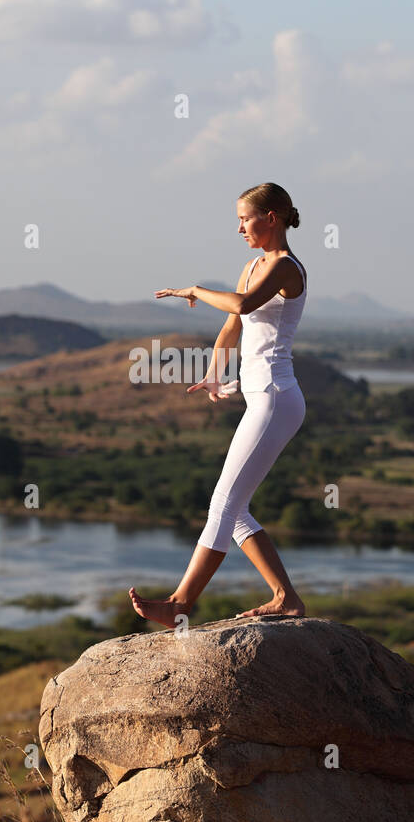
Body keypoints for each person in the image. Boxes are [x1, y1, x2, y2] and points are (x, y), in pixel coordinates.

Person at [129, 182, 308, 627]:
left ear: (271, 218)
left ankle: (180, 603)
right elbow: (234, 324)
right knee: (235, 507)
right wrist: (213, 372)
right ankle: (285, 597)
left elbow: (243, 303)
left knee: (223, 503)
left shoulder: (285, 268)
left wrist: (194, 289)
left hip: (276, 399)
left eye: (245, 219)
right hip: (261, 398)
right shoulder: (252, 265)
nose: (240, 228)